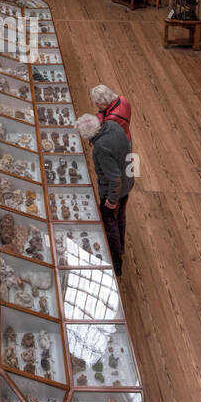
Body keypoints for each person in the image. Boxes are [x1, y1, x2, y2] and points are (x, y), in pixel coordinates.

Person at [76, 112, 134, 278]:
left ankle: (115, 265)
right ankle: (121, 247)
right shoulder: (113, 126)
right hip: (127, 181)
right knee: (121, 215)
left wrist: (110, 201)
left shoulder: (100, 147)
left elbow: (114, 177)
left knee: (110, 226)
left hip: (114, 191)